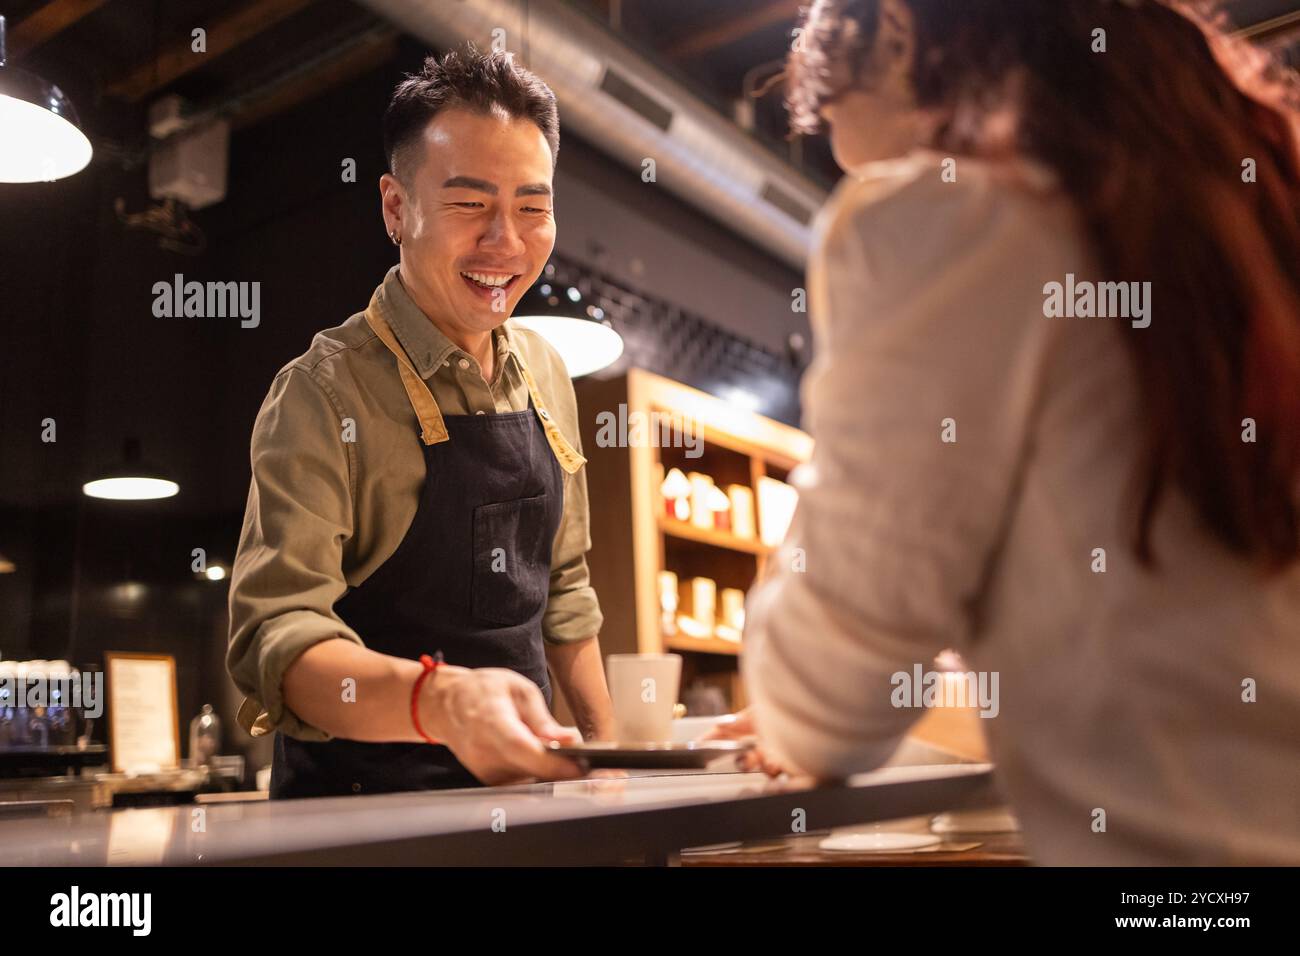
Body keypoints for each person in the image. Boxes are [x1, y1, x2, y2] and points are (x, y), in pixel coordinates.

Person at [737, 0, 1300, 863]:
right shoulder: (1246, 222)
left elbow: (825, 712)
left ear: (896, 29)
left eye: (869, 157)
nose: (873, 182)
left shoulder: (955, 218)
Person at [227, 47, 615, 797]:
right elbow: (278, 636)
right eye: (470, 204)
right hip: (362, 823)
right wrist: (440, 701)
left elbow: (565, 589)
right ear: (396, 208)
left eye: (533, 208)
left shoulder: (547, 372)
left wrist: (609, 752)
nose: (505, 241)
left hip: (523, 810)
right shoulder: (321, 393)